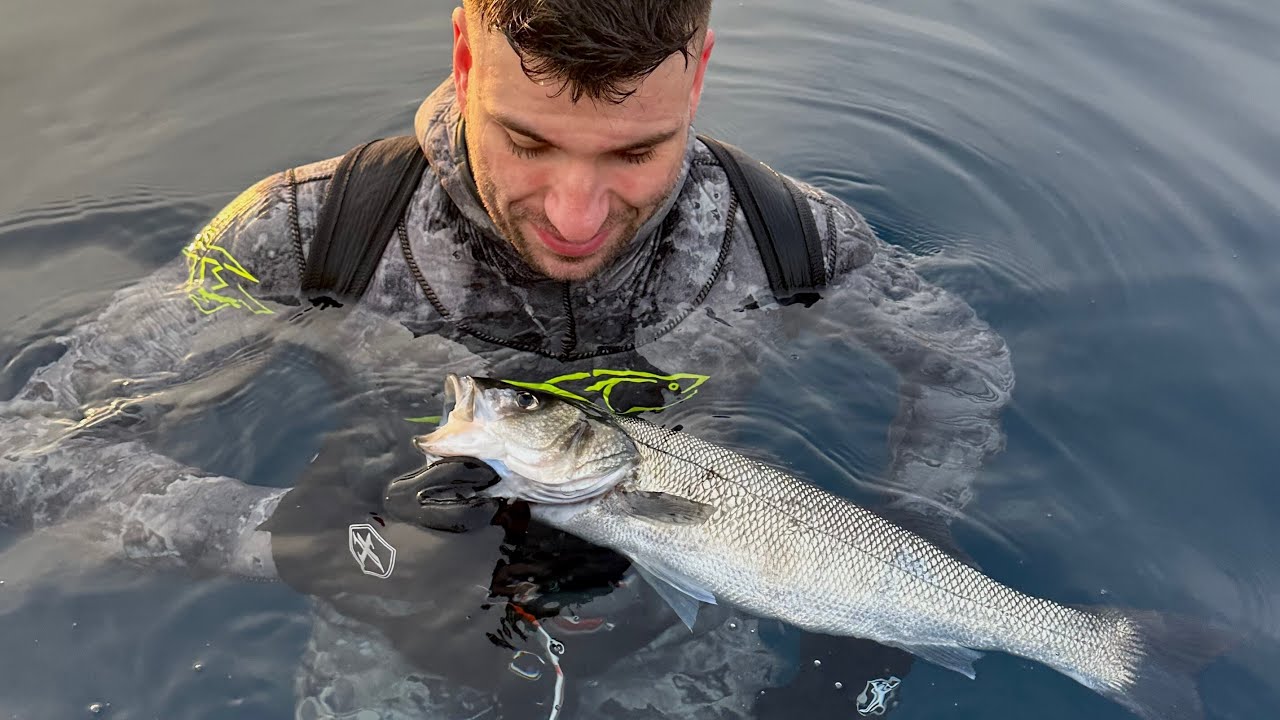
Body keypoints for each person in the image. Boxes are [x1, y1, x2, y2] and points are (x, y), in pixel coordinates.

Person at [0, 0, 1015, 717]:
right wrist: (293, 545)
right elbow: (30, 445)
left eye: (633, 151)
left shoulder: (792, 239)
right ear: (461, 51)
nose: (574, 220)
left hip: (687, 634)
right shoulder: (306, 238)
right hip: (386, 636)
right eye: (526, 141)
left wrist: (892, 564)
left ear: (699, 71)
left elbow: (961, 366)